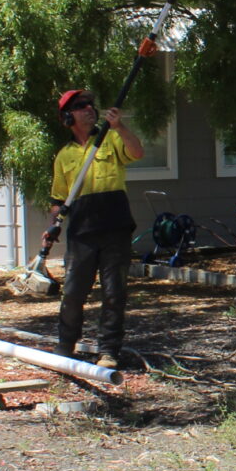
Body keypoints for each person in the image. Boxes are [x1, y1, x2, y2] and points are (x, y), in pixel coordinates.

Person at [49, 89, 145, 369]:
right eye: (80, 107)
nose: (89, 109)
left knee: (115, 293)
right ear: (68, 117)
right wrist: (52, 226)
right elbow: (58, 199)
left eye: (91, 104)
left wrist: (120, 126)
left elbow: (138, 152)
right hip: (82, 233)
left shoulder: (110, 138)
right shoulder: (64, 156)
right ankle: (65, 345)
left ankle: (108, 351)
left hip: (116, 227)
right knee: (74, 292)